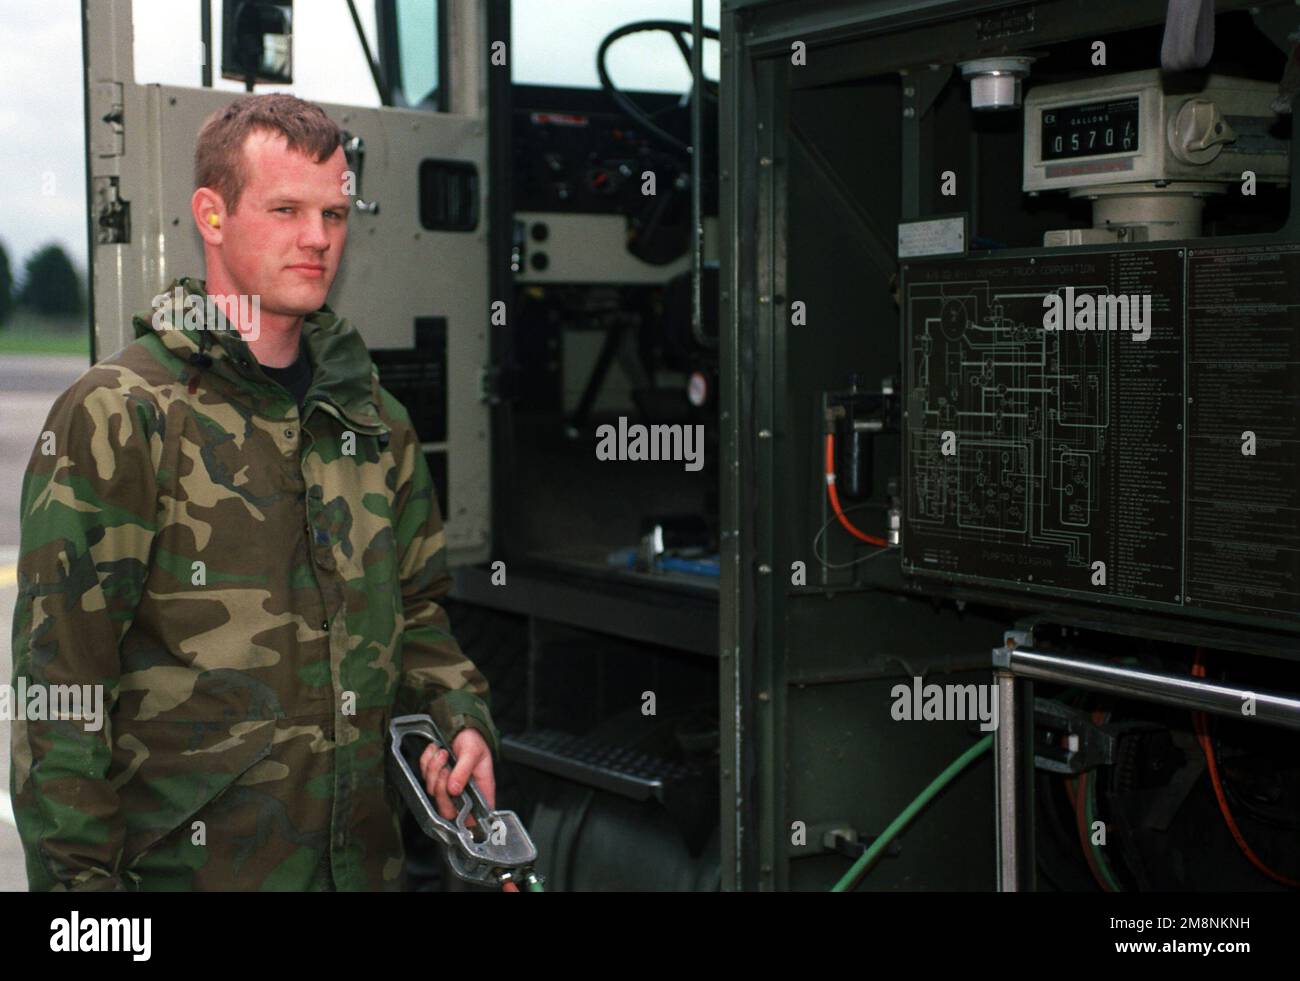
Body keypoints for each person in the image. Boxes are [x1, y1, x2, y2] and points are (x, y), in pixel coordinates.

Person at [9, 93, 499, 891]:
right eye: (286, 210)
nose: (319, 238)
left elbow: (418, 618)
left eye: (334, 214)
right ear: (211, 214)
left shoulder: (373, 420)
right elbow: (61, 697)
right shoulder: (121, 415)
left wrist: (460, 720)